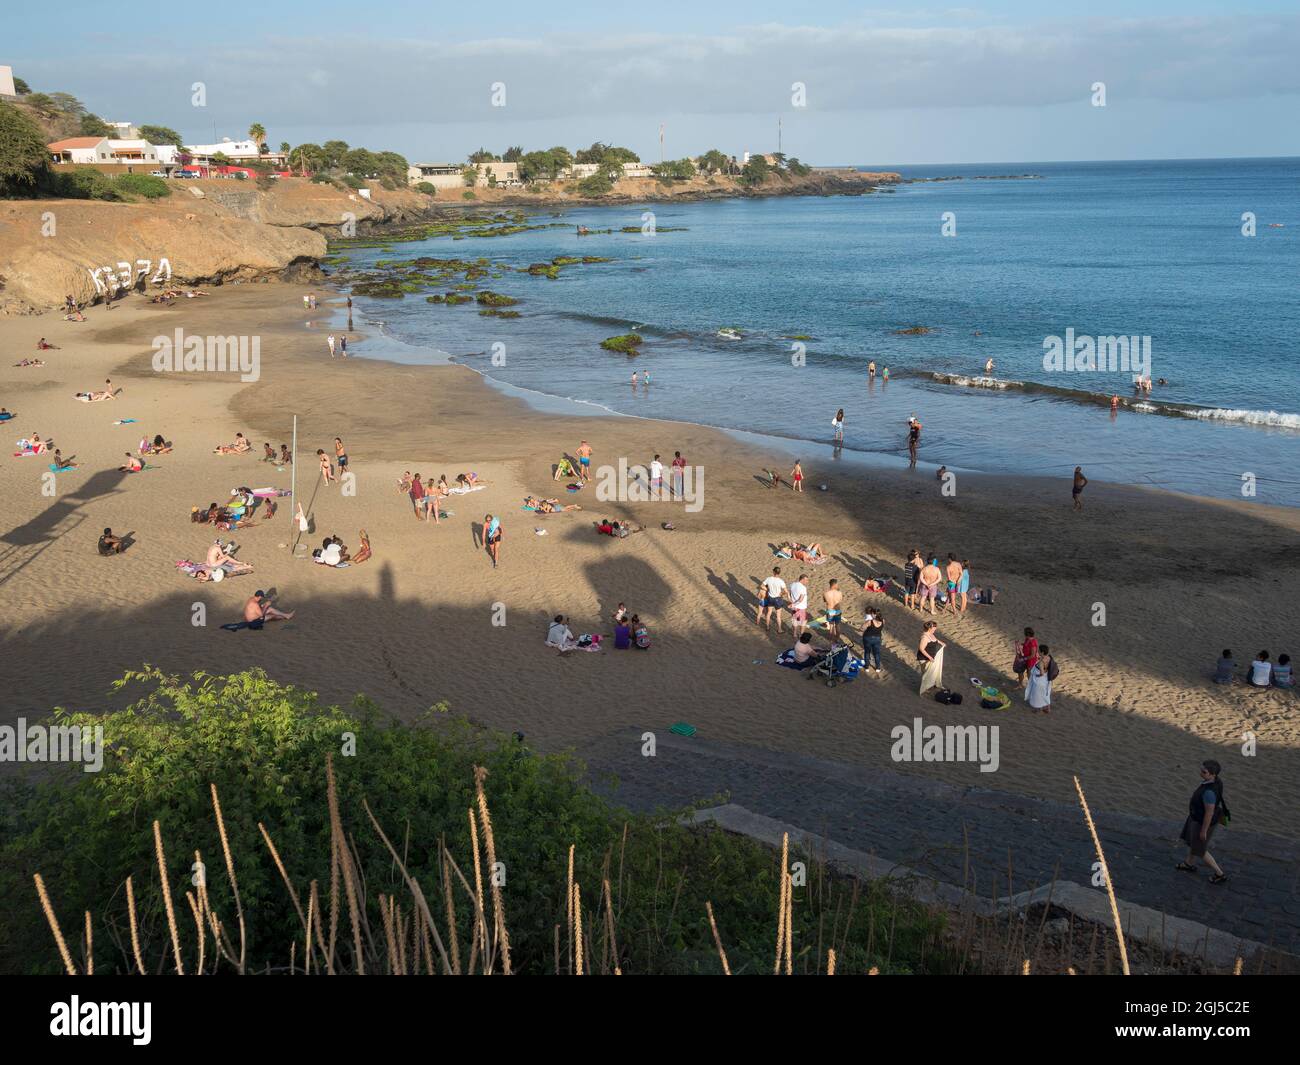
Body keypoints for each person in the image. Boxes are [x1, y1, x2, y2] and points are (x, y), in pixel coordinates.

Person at [1176, 760, 1229, 884]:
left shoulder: (1209, 792)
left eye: (1204, 772)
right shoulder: (1216, 781)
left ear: (1212, 774)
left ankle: (1219, 873)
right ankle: (1188, 863)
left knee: (1200, 849)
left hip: (1202, 822)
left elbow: (1209, 813)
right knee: (1192, 842)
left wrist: (1203, 831)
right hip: (1196, 818)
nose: (1201, 773)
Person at [758, 567, 788, 632]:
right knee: (778, 615)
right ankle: (779, 629)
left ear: (773, 572)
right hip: (778, 599)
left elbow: (762, 586)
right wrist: (781, 594)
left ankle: (767, 627)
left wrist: (767, 589)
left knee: (769, 613)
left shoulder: (769, 579)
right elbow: (786, 591)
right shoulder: (781, 581)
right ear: (779, 573)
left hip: (770, 598)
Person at [1026, 644, 1053, 713]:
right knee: (1046, 694)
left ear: (1042, 652)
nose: (1038, 651)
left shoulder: (1041, 662)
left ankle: (1038, 710)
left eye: (1039, 651)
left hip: (1040, 681)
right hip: (1047, 680)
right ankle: (1048, 709)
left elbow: (1042, 673)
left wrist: (1036, 676)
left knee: (1038, 695)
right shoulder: (1049, 657)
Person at [788, 573, 809, 638]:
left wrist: (790, 601)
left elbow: (788, 592)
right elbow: (801, 599)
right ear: (802, 579)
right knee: (803, 622)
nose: (807, 582)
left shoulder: (792, 584)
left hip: (794, 607)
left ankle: (794, 634)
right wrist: (793, 604)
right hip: (800, 607)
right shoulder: (803, 588)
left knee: (795, 620)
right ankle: (801, 634)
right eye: (806, 580)